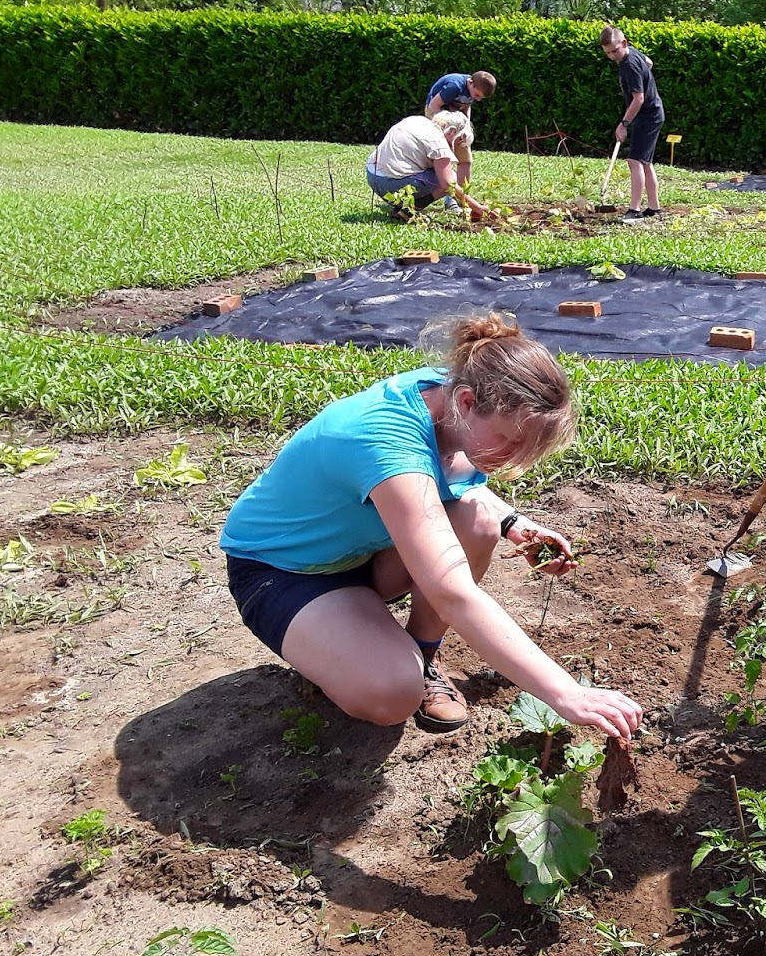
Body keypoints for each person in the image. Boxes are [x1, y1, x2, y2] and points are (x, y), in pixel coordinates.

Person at [219, 314, 642, 740]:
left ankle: (420, 657)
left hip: (360, 554)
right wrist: (565, 692)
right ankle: (343, 656)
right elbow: (451, 591)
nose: (515, 457)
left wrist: (514, 523)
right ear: (466, 403)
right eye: (510, 441)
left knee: (479, 522)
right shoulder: (385, 440)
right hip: (281, 572)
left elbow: (451, 483)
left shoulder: (459, 386)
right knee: (390, 694)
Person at [366, 110, 489, 218]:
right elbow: (448, 185)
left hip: (373, 176)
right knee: (448, 178)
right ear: (452, 131)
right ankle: (410, 210)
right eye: (458, 141)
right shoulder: (438, 142)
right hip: (391, 184)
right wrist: (477, 207)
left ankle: (402, 206)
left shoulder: (417, 121)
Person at [598, 25, 665, 224]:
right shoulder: (633, 54)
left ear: (624, 43)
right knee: (645, 162)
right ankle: (653, 207)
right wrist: (646, 77)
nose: (612, 56)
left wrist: (624, 124)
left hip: (647, 116)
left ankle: (634, 210)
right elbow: (649, 62)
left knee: (634, 161)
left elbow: (639, 99)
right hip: (653, 113)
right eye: (608, 53)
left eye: (614, 51)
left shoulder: (629, 66)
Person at [424, 71, 497, 118]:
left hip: (451, 110)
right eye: (477, 95)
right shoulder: (455, 87)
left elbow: (467, 105)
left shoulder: (473, 91)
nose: (478, 99)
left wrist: (466, 123)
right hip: (434, 107)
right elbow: (433, 105)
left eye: (481, 98)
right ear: (471, 83)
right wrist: (447, 122)